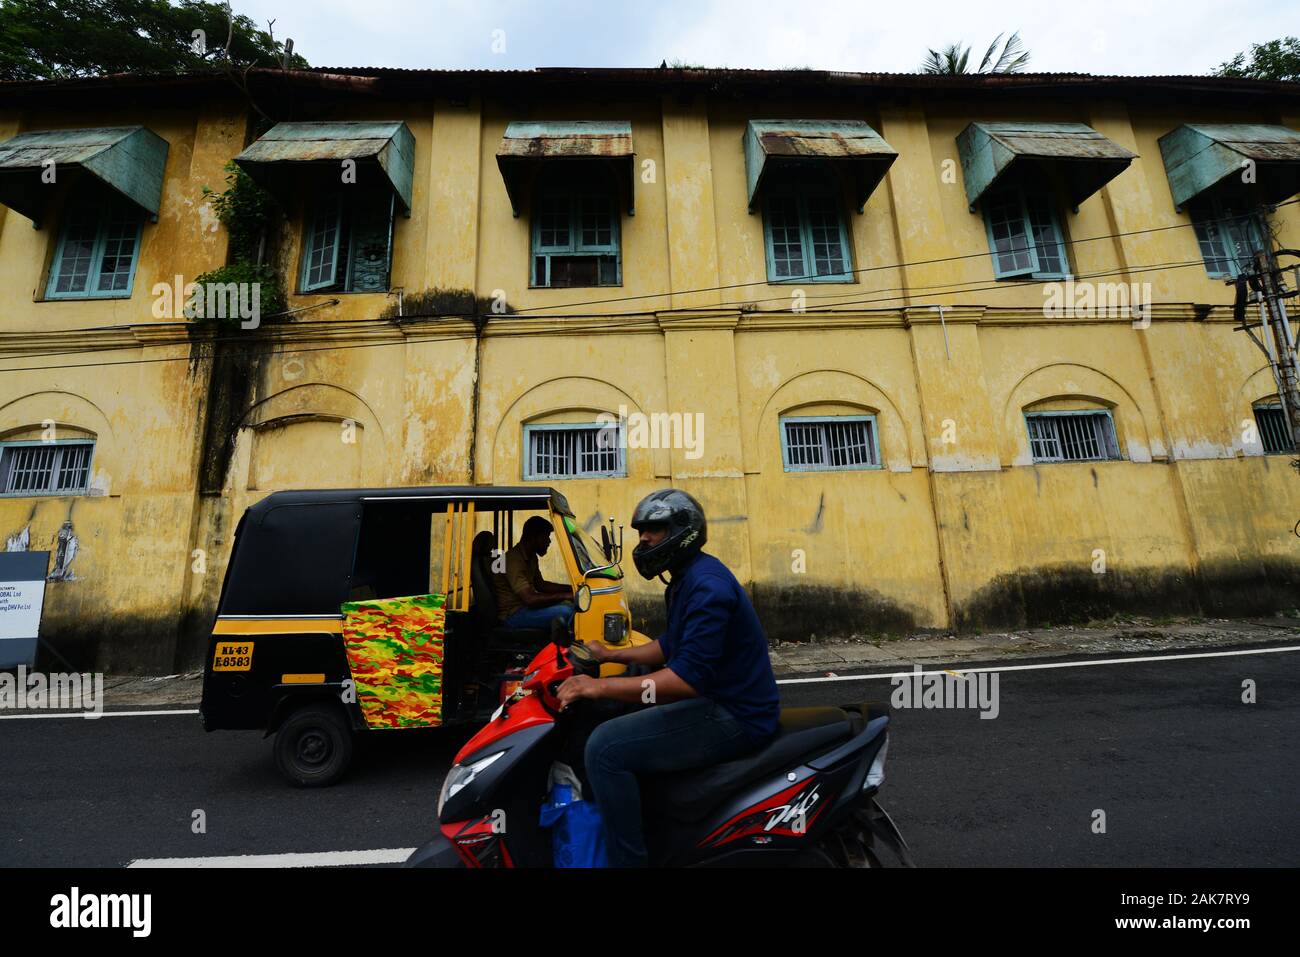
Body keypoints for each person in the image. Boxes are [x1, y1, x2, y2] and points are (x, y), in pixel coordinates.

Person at [555, 488, 780, 867]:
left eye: (653, 530)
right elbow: (670, 644)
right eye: (641, 530)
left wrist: (597, 685)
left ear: (682, 530)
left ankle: (630, 861)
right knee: (616, 706)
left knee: (605, 747)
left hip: (735, 715)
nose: (643, 538)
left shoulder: (708, 587)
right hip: (714, 698)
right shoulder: (686, 578)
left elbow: (683, 681)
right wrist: (611, 654)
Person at [493, 515, 575, 631]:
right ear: (533, 538)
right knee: (567, 611)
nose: (549, 541)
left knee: (570, 605)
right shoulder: (513, 560)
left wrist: (573, 589)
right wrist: (565, 595)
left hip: (525, 608)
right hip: (513, 615)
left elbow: (541, 585)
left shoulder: (531, 557)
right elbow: (529, 599)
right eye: (546, 537)